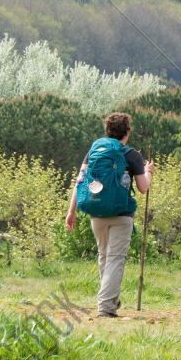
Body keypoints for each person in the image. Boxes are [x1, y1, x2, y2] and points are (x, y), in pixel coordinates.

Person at [64, 112, 153, 318]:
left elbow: (80, 182)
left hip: (97, 212)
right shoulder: (132, 155)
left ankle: (110, 299)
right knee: (115, 258)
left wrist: (71, 212)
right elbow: (142, 188)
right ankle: (106, 306)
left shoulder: (94, 152)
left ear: (108, 131)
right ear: (127, 132)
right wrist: (148, 172)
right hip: (122, 215)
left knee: (104, 257)